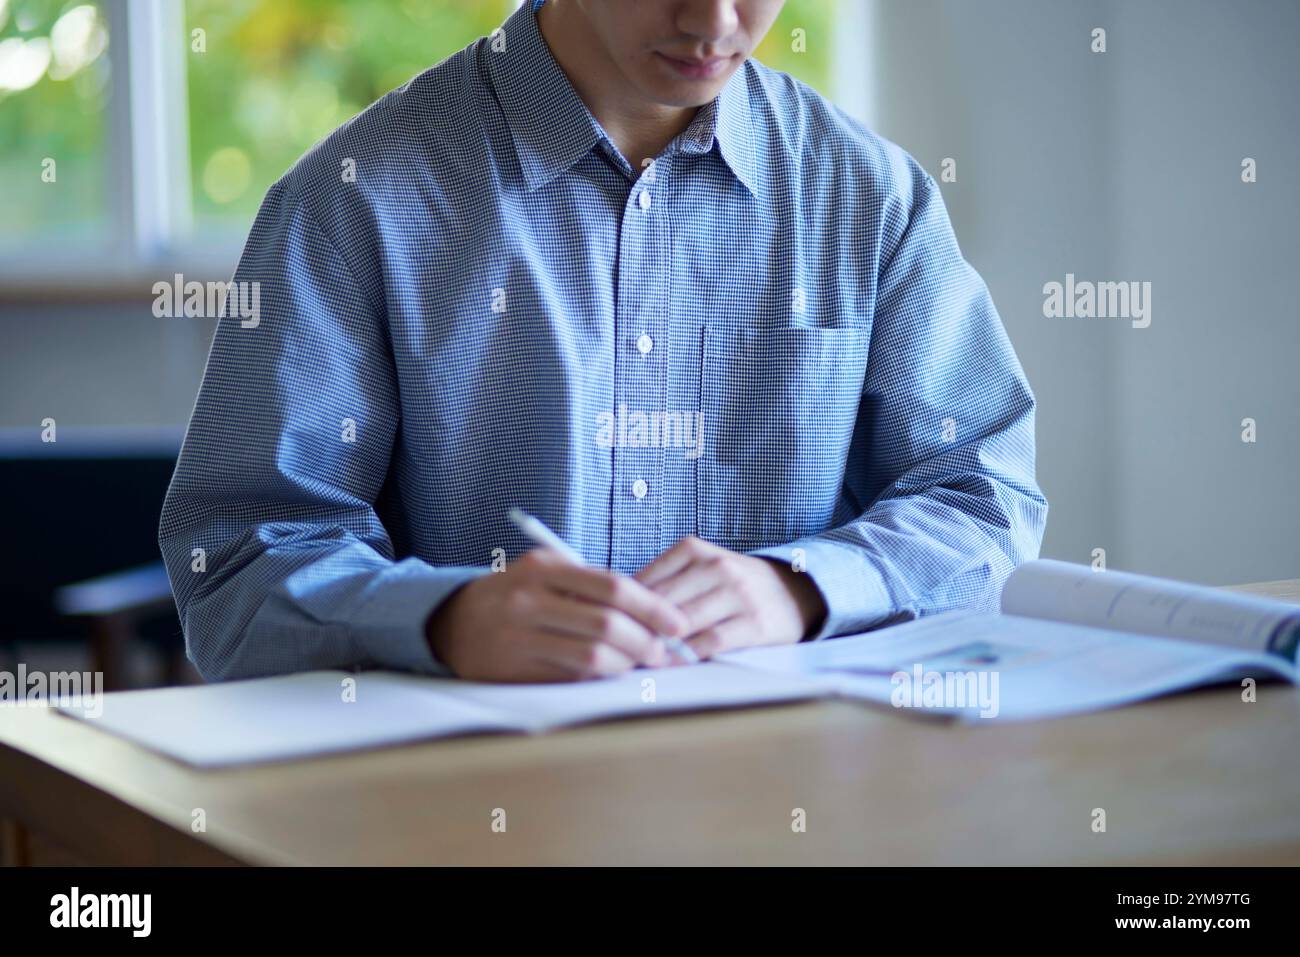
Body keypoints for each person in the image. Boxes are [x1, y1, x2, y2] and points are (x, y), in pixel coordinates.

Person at [159, 0, 1047, 684]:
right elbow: (236, 559)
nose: (713, 22)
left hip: (794, 801)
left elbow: (983, 498)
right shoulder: (354, 202)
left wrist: (804, 587)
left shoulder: (871, 197)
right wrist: (443, 620)